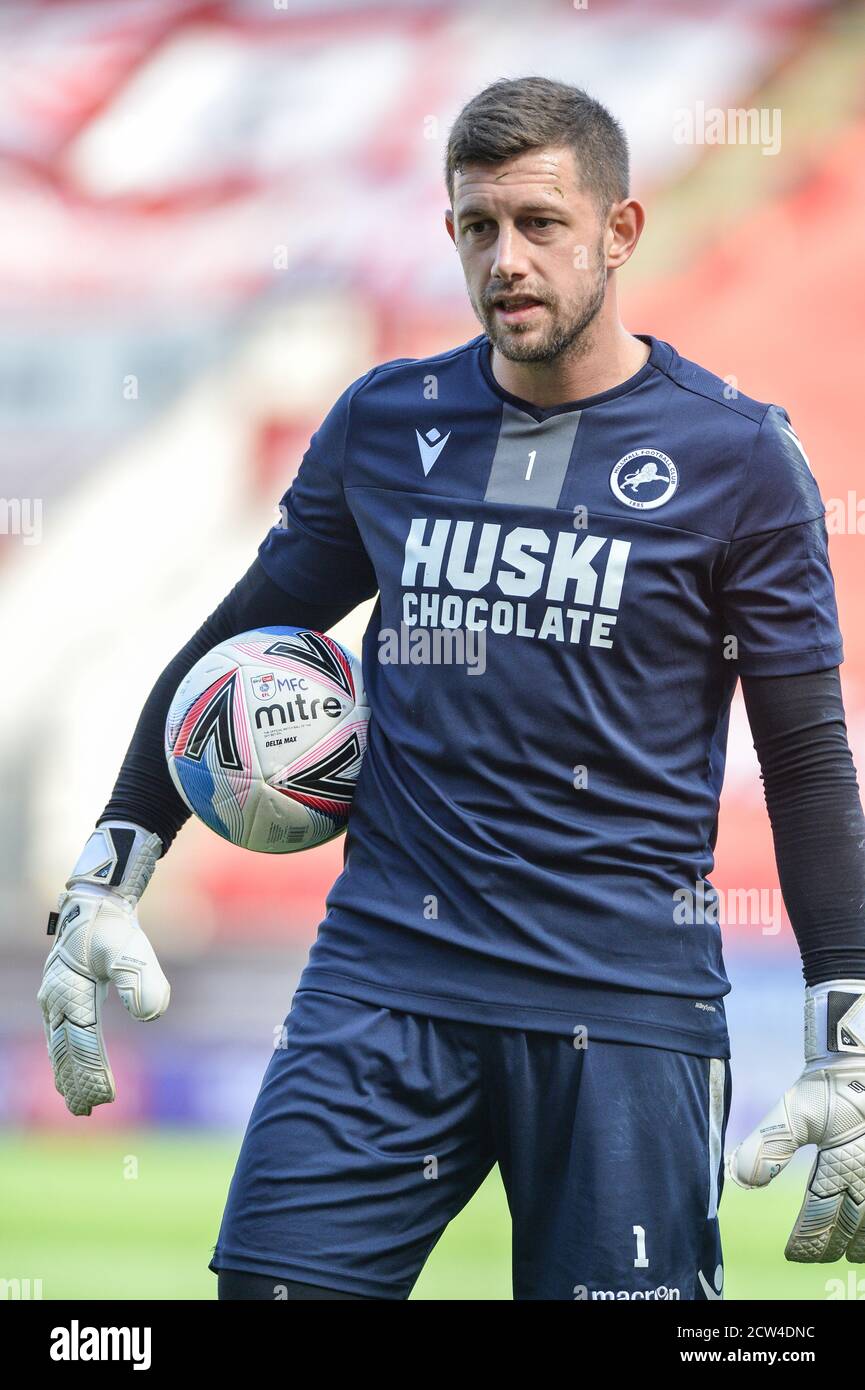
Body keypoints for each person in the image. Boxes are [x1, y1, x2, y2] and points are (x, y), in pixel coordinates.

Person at [38, 76, 865, 1301]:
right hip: (384, 982)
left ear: (620, 232)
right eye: (478, 227)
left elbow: (804, 761)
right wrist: (110, 869)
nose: (506, 259)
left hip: (625, 1007)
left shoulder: (738, 458)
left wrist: (842, 1040)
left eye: (540, 223)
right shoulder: (384, 423)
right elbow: (233, 644)